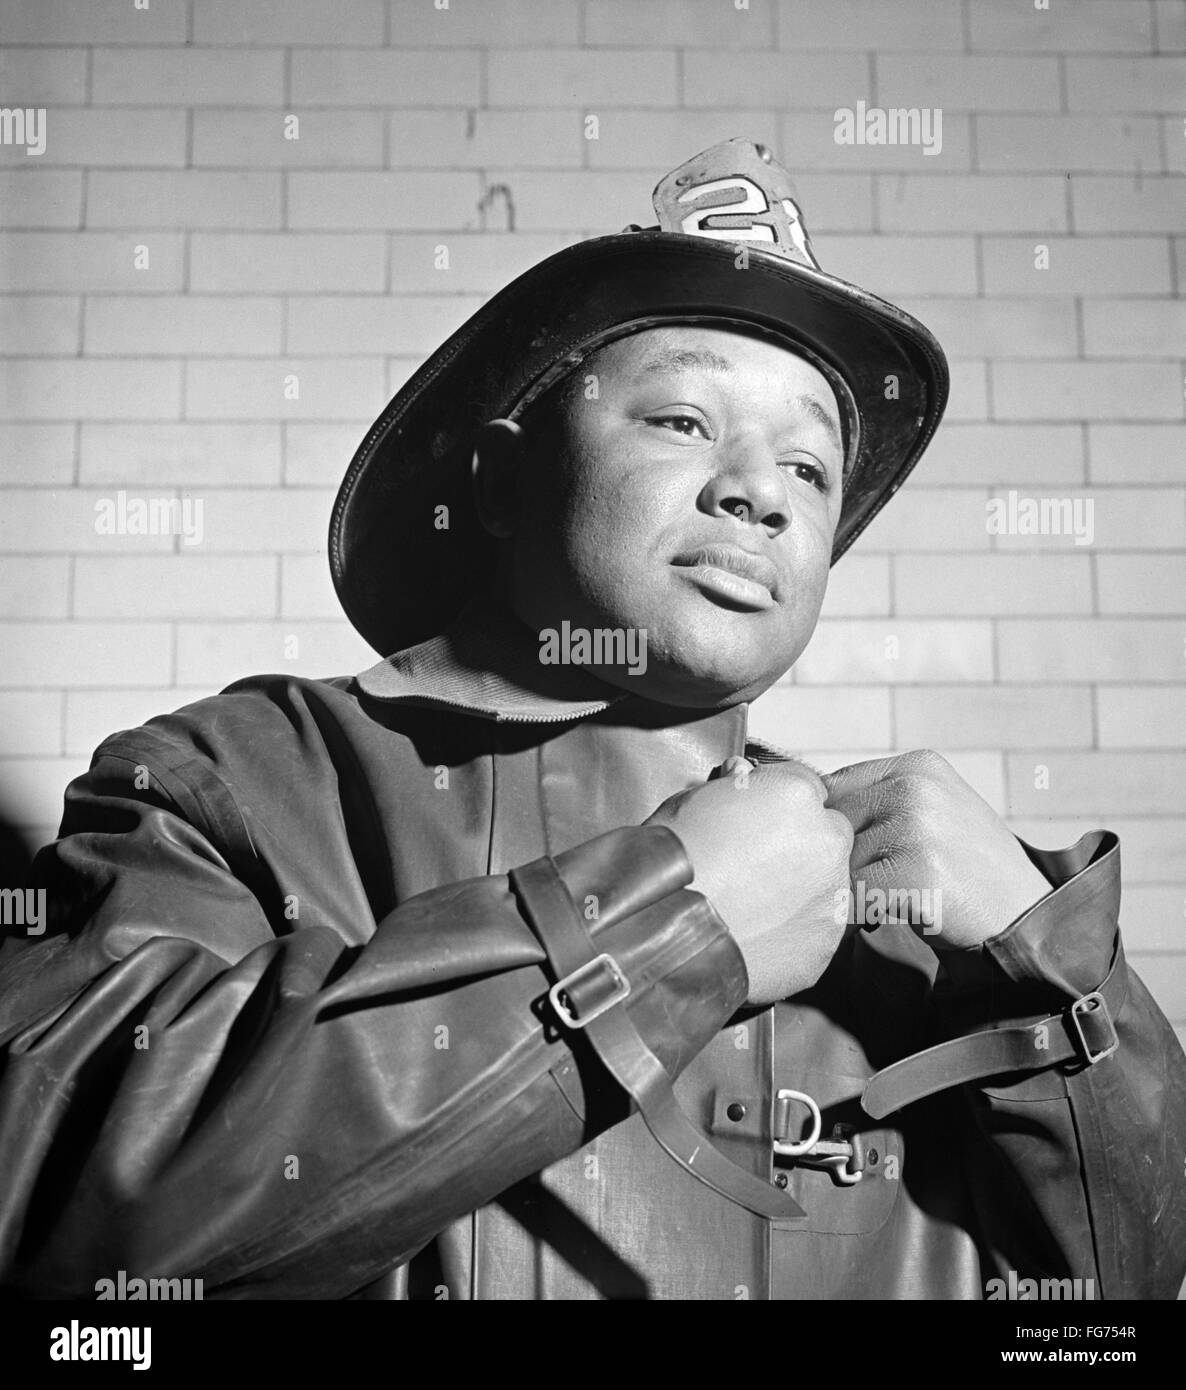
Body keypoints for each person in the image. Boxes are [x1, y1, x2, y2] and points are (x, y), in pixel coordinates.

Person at [1, 141, 1182, 1301]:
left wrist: (1056, 980)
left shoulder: (932, 923)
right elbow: (64, 1222)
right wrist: (667, 926)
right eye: (681, 421)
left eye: (810, 471)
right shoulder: (235, 780)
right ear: (506, 482)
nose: (759, 491)